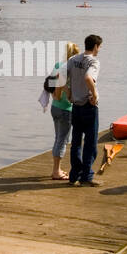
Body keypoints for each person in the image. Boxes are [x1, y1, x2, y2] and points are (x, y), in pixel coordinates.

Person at [67, 35, 102, 186]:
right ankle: (86, 177)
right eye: (99, 47)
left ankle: (74, 175)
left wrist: (69, 92)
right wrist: (94, 94)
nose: (99, 50)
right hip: (88, 106)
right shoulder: (93, 61)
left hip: (76, 106)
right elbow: (88, 78)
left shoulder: (73, 59)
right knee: (90, 142)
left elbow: (62, 76)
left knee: (76, 142)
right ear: (95, 47)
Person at [48, 41, 78, 181]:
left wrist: (55, 96)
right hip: (66, 109)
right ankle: (56, 172)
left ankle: (57, 169)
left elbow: (50, 84)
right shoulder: (72, 69)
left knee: (58, 138)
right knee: (63, 140)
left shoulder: (58, 65)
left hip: (55, 107)